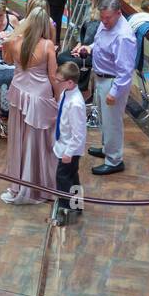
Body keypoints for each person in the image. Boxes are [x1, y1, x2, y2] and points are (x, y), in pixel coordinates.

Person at [1, 4, 59, 205]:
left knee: (19, 138)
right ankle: (40, 184)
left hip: (18, 93)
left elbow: (7, 60)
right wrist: (59, 99)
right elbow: (53, 76)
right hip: (39, 96)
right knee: (40, 143)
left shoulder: (15, 42)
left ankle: (20, 184)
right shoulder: (48, 46)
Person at [77, 0, 135, 177]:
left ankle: (114, 160)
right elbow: (100, 41)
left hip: (113, 82)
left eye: (107, 18)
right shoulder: (107, 21)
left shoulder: (124, 36)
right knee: (104, 119)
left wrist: (114, 92)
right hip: (101, 77)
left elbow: (125, 71)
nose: (104, 22)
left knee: (112, 122)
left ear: (118, 13)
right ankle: (107, 148)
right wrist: (90, 48)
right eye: (102, 18)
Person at [52, 60, 88, 227]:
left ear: (70, 82)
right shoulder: (66, 93)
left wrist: (69, 152)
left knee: (63, 179)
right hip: (64, 145)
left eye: (59, 81)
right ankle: (76, 205)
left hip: (69, 149)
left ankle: (66, 210)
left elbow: (78, 133)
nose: (57, 83)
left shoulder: (76, 104)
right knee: (73, 177)